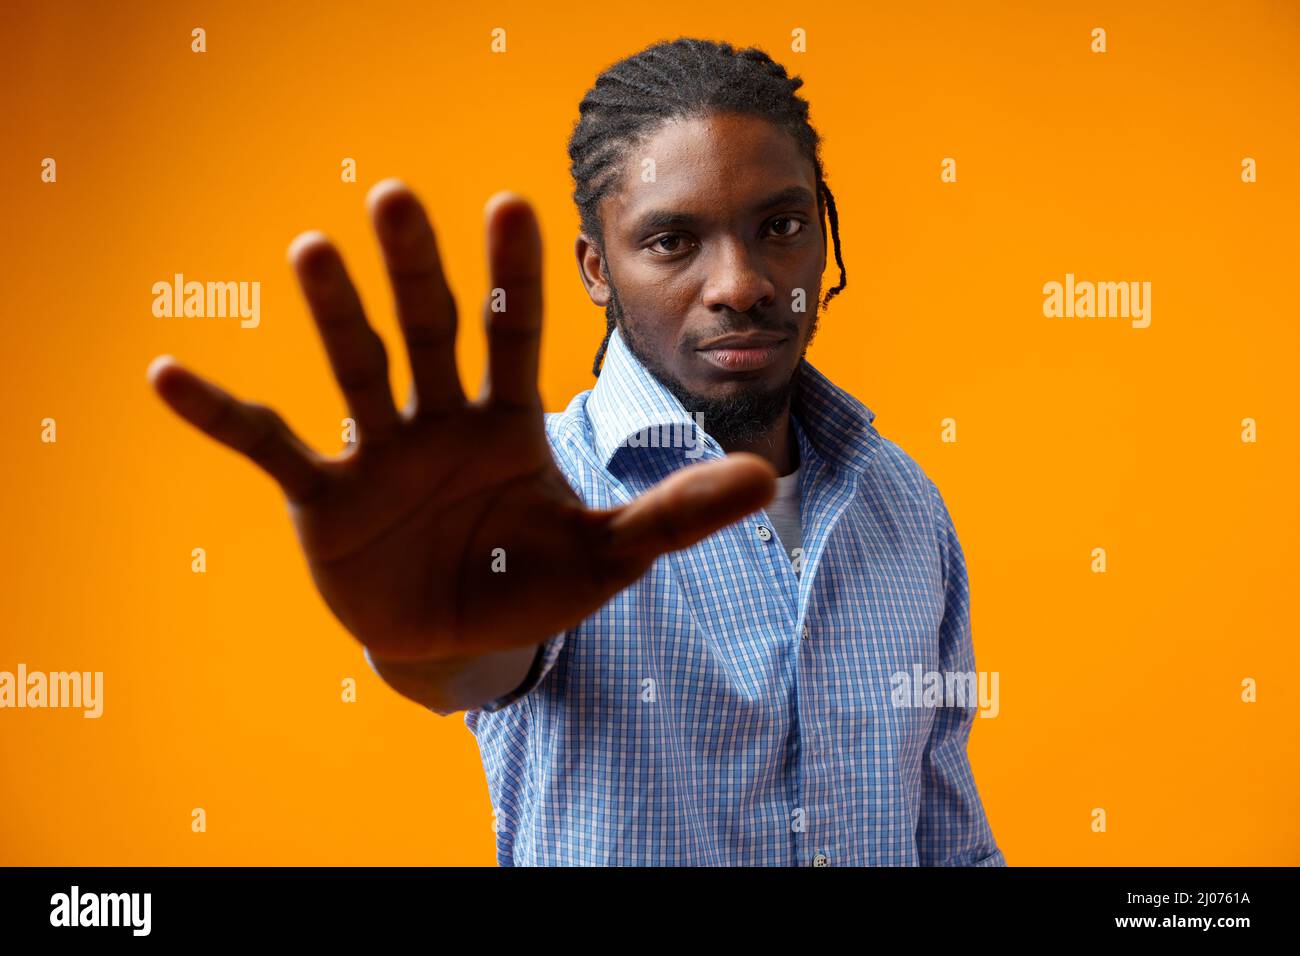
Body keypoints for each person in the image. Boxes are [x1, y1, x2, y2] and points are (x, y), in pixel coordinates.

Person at [148, 37, 1005, 867]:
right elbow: (472, 663)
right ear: (597, 269)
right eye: (672, 241)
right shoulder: (541, 494)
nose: (740, 283)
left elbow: (951, 843)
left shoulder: (902, 500)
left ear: (823, 236)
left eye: (779, 224)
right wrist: (428, 636)